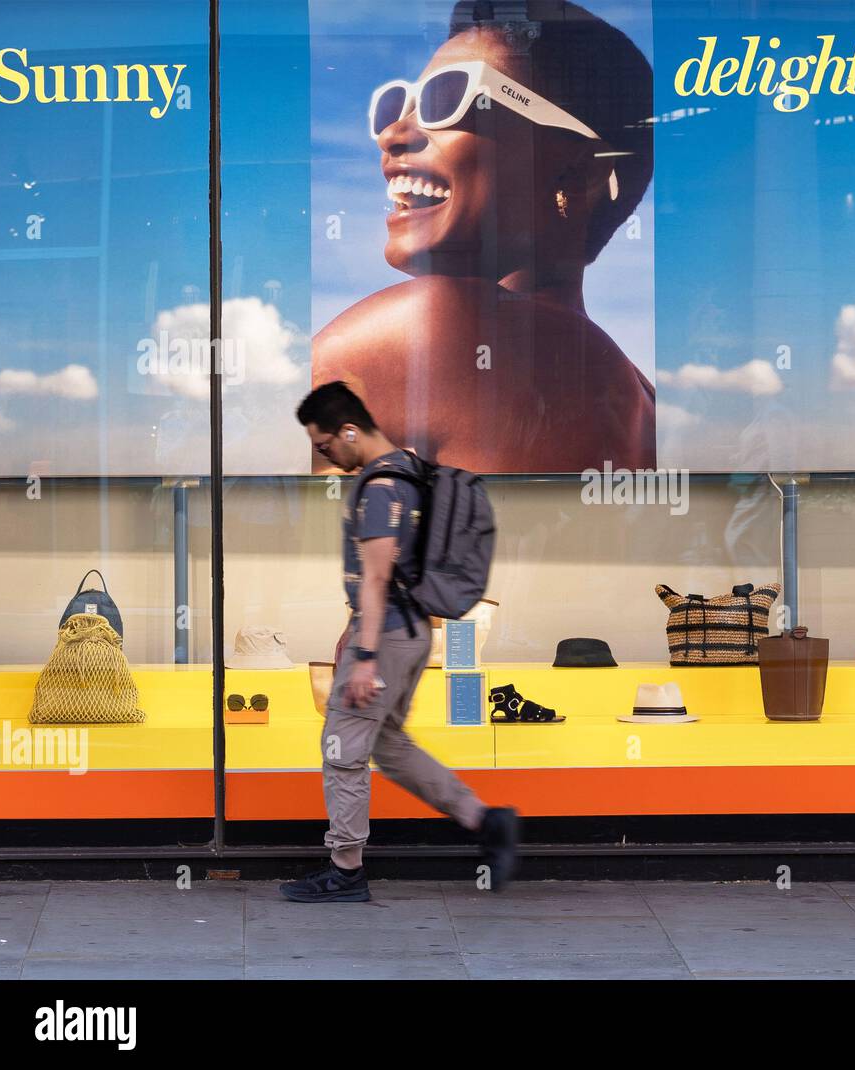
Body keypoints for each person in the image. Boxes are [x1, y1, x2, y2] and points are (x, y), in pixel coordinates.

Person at [312, 0, 655, 474]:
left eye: (447, 98)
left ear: (577, 171)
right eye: (398, 103)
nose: (391, 133)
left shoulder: (441, 326)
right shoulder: (635, 390)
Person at [281, 381, 517, 903]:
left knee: (342, 749)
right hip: (409, 632)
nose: (325, 456)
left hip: (385, 639)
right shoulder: (410, 469)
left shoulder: (380, 486)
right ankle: (483, 819)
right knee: (388, 744)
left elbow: (377, 576)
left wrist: (364, 655)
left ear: (348, 430)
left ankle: (345, 870)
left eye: (324, 445)